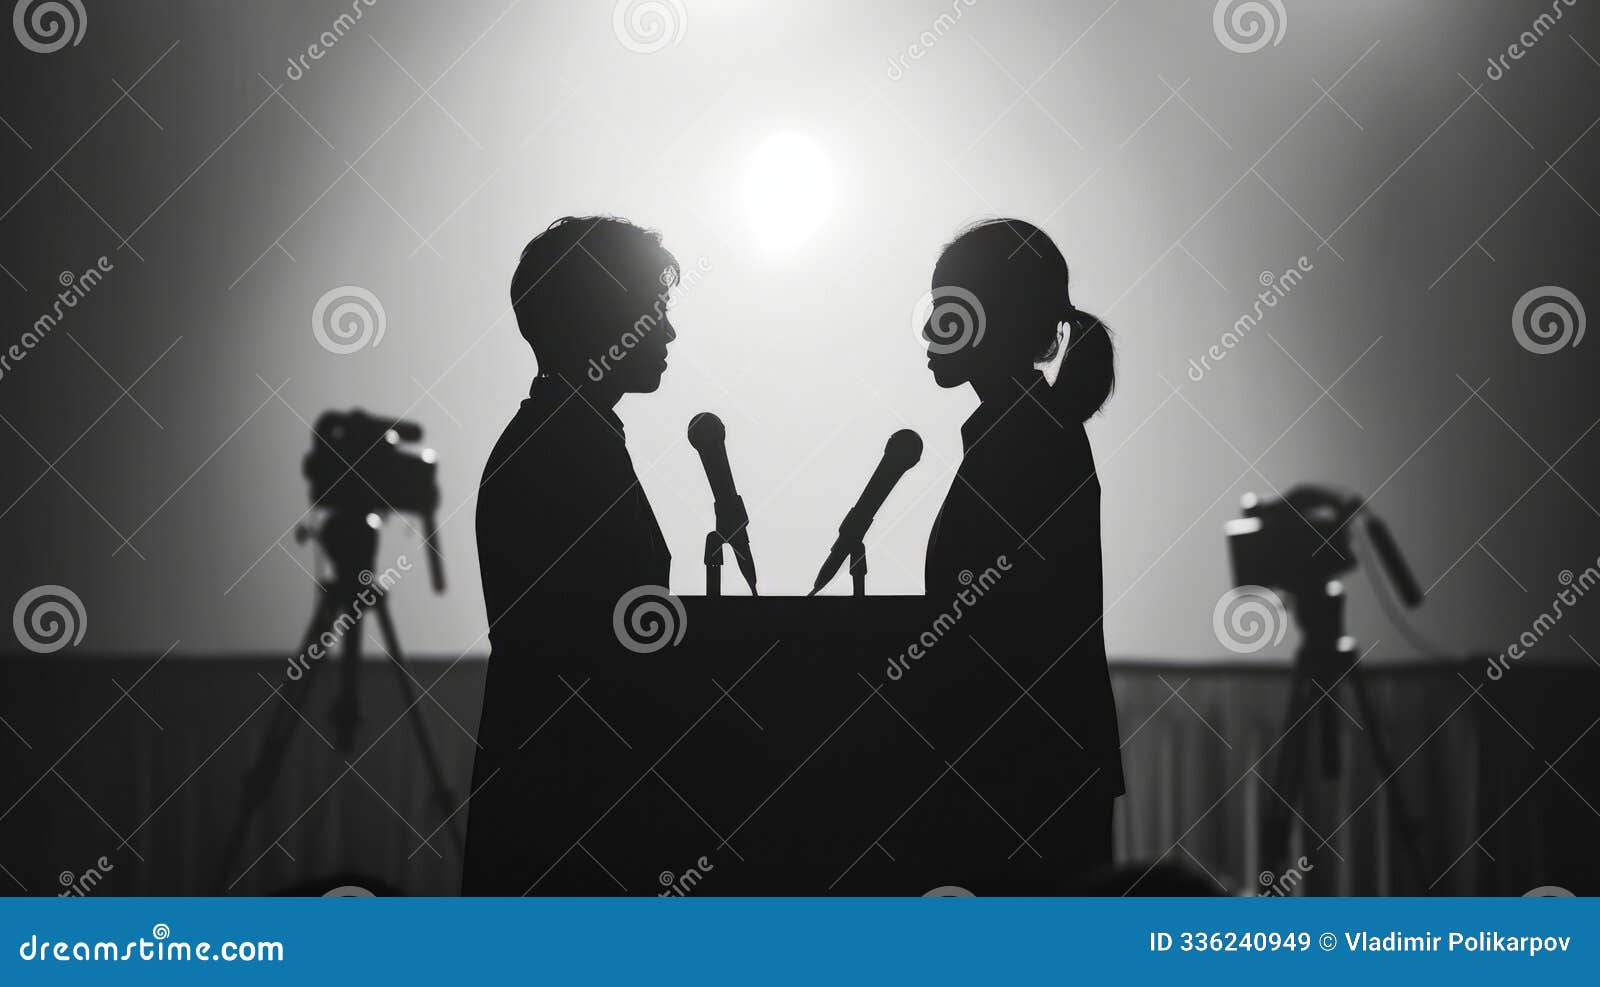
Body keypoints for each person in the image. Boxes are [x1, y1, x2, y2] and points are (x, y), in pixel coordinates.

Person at [463, 216, 679, 894]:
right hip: (571, 816)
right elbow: (597, 649)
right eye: (654, 311)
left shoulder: (566, 435)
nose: (669, 333)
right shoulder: (565, 449)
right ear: (601, 316)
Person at [919, 218, 1125, 890]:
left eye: (947, 310)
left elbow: (1001, 631)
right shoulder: (1029, 434)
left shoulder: (1025, 445)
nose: (929, 331)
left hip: (1021, 776)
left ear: (994, 319)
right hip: (1038, 769)